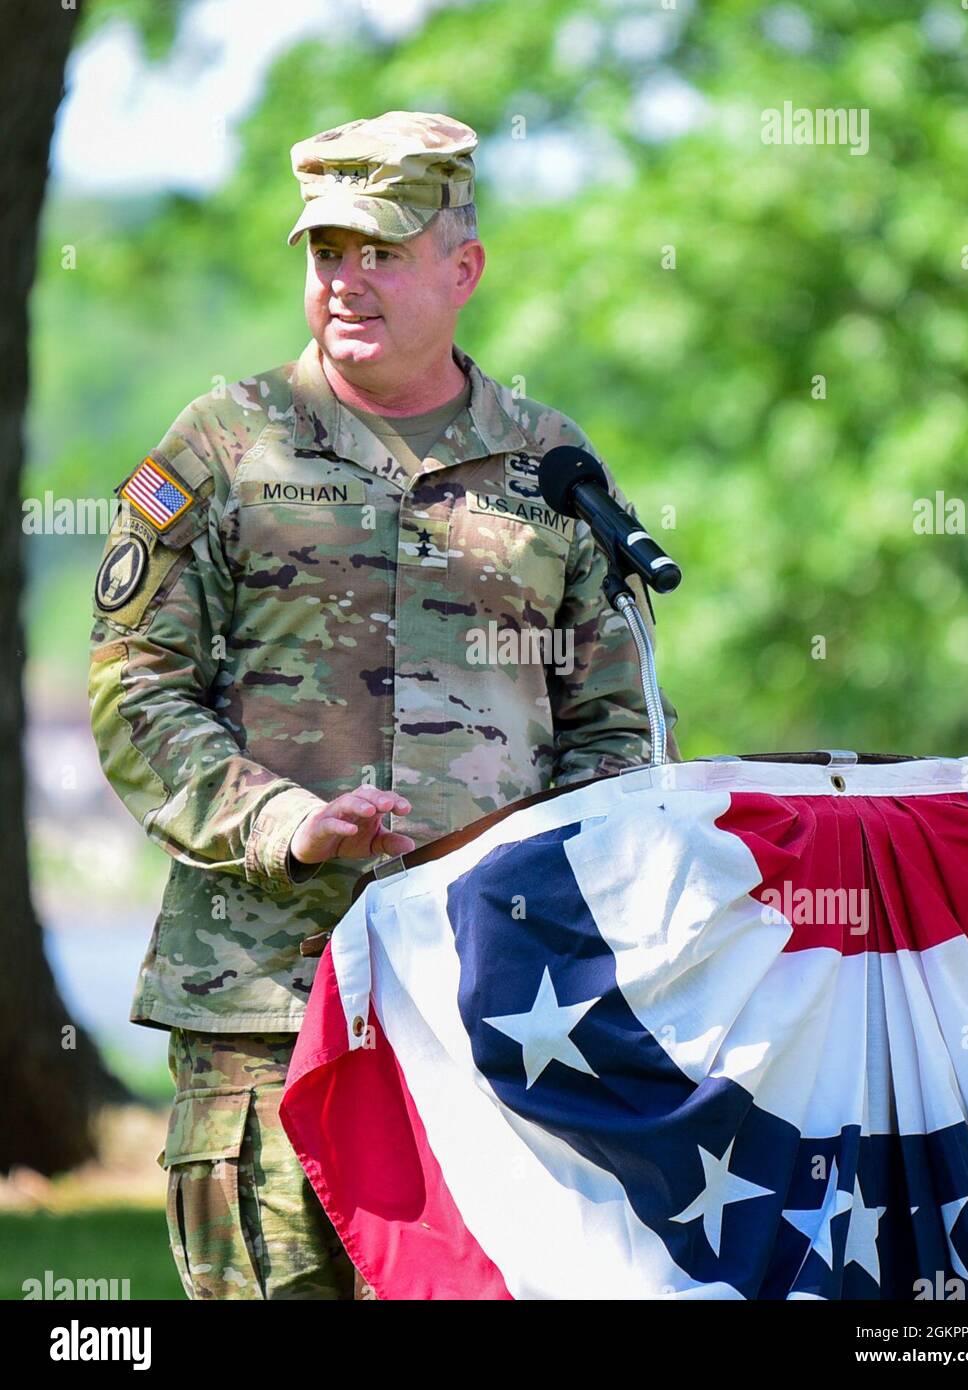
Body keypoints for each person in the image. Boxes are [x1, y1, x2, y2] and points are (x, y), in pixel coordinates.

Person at [88, 110, 681, 1300]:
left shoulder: (551, 467)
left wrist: (548, 901)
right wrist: (279, 822)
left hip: (494, 1009)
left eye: (382, 252)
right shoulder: (221, 448)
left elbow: (616, 733)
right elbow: (132, 690)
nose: (345, 284)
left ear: (462, 267)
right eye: (325, 253)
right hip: (268, 1000)